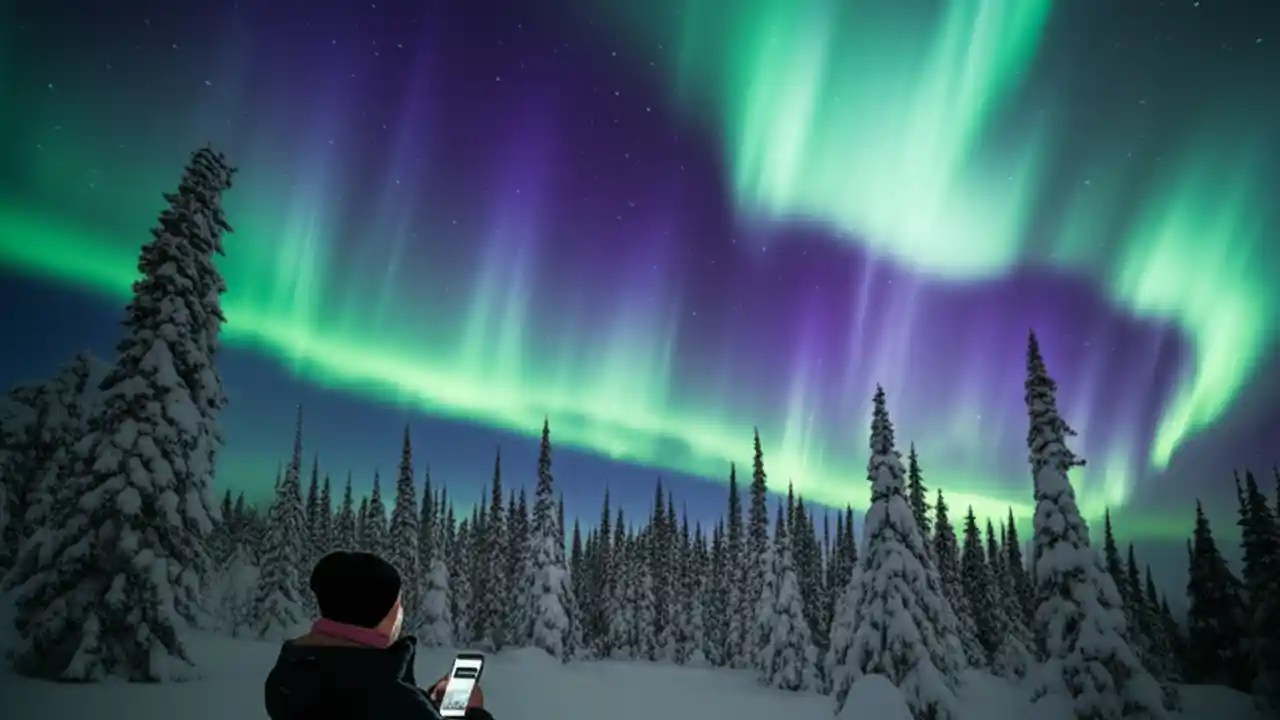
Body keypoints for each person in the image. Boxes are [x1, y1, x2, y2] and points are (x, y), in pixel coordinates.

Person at [265, 551, 496, 720]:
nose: (401, 613)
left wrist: (422, 701)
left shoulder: (290, 672)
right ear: (383, 615)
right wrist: (474, 713)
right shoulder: (392, 702)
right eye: (397, 604)